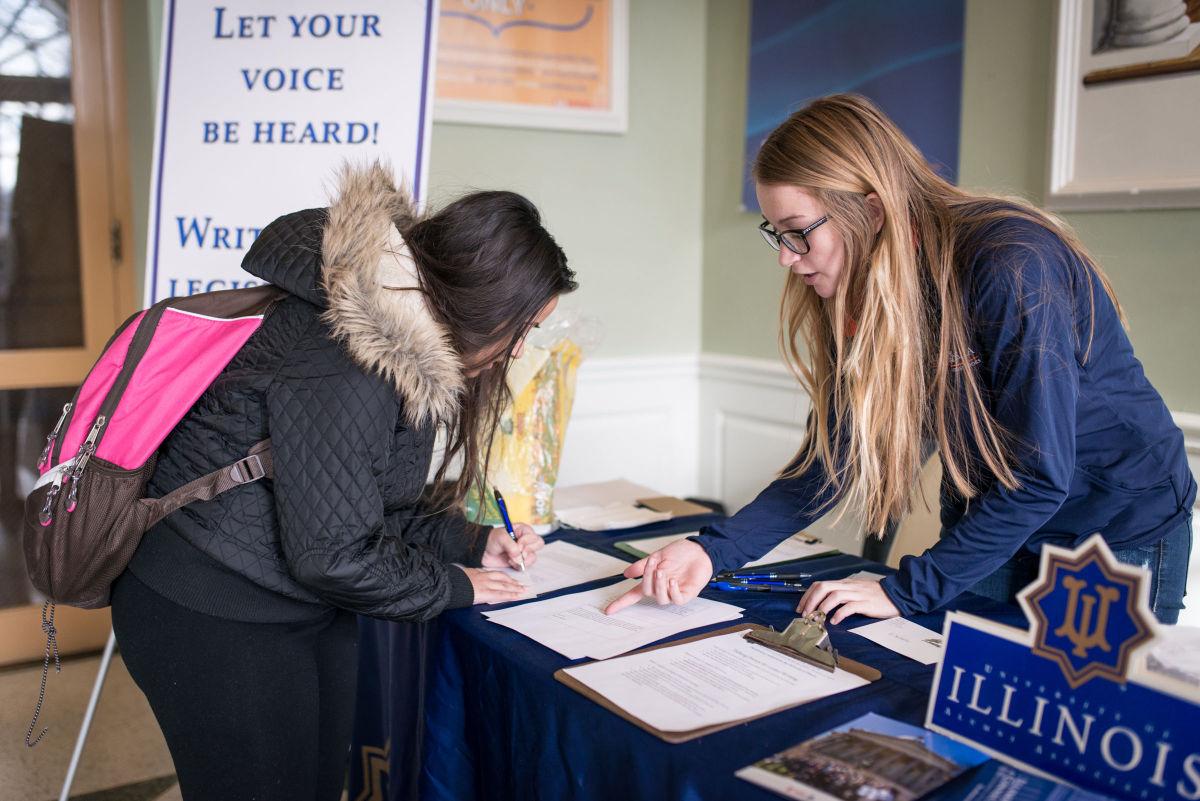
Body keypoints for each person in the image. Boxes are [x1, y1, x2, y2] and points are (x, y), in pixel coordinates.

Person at [606, 94, 1193, 626]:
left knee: (1076, 721)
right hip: (995, 521)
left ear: (874, 212)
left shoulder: (1011, 262)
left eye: (798, 232)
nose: (787, 258)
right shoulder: (854, 293)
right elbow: (834, 460)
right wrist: (711, 550)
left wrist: (905, 591)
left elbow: (1038, 477)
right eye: (776, 234)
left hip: (1117, 524)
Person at [111, 163, 577, 801]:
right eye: (521, 329)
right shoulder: (347, 360)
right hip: (210, 605)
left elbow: (366, 507)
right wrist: (453, 585)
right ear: (479, 302)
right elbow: (333, 553)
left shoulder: (398, 349)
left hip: (293, 594)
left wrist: (471, 543)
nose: (520, 350)